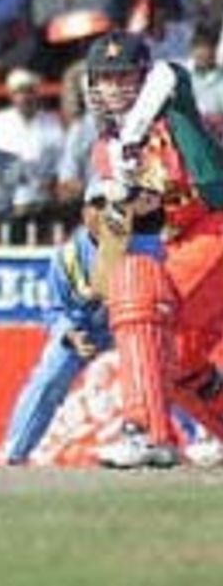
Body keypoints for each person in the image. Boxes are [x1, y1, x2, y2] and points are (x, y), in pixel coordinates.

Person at [84, 30, 223, 468]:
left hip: (216, 227)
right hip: (188, 245)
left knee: (144, 298)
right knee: (175, 359)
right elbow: (122, 232)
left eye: (125, 76)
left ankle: (145, 431)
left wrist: (134, 135)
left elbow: (169, 74)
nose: (114, 87)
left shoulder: (171, 112)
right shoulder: (105, 153)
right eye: (105, 79)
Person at [0, 181, 115, 465]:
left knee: (165, 366)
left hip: (126, 329)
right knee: (49, 378)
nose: (105, 214)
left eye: (113, 207)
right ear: (86, 212)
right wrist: (71, 335)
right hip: (82, 329)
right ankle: (14, 451)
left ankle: (198, 441)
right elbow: (54, 310)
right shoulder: (68, 255)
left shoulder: (138, 248)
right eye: (98, 206)